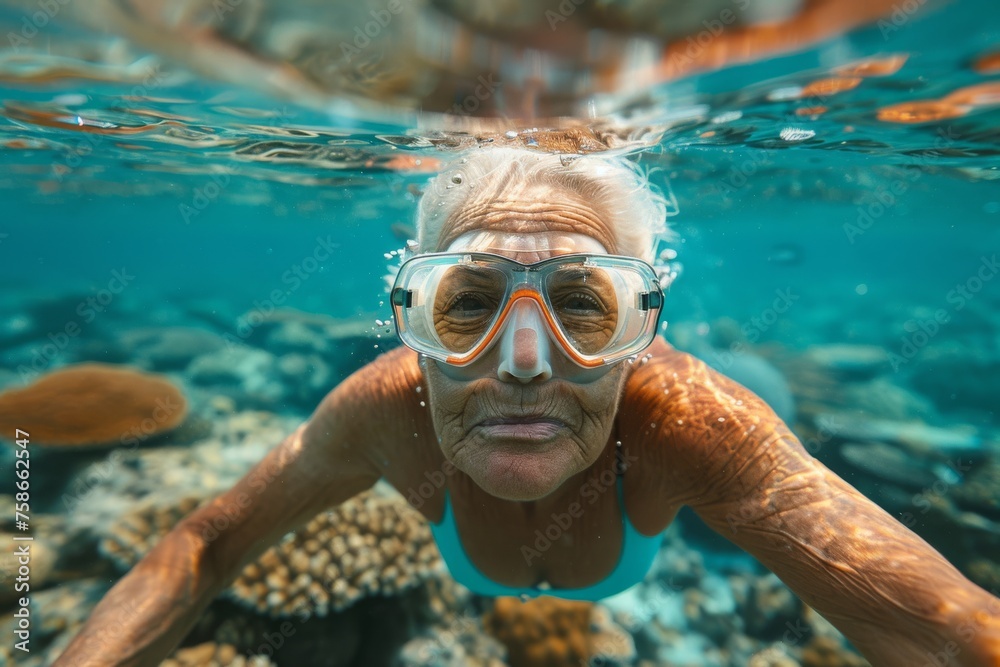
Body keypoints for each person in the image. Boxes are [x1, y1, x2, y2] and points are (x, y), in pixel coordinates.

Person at [57, 148, 999, 667]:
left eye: (585, 303)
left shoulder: (696, 425)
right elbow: (202, 547)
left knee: (780, 430)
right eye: (465, 301)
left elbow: (948, 631)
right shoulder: (385, 409)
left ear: (643, 325)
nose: (519, 364)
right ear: (407, 321)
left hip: (685, 471)